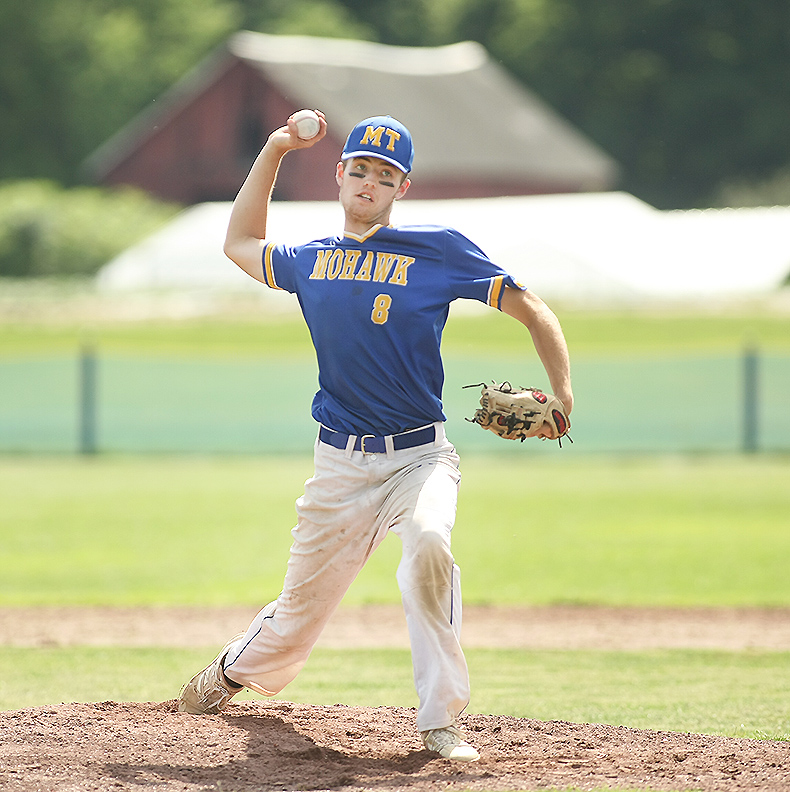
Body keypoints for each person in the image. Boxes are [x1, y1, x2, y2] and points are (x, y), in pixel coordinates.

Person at [177, 112, 573, 762]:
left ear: (402, 187)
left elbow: (530, 306)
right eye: (358, 168)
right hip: (338, 469)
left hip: (420, 458)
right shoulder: (313, 261)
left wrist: (562, 391)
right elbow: (240, 242)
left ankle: (441, 722)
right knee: (296, 621)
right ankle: (224, 674)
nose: (368, 181)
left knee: (427, 546)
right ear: (339, 175)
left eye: (383, 174)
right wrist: (277, 146)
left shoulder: (437, 250)